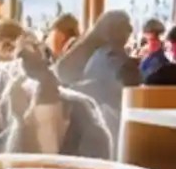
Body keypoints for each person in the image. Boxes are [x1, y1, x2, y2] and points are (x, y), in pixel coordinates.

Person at [54, 10, 140, 144]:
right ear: (114, 30)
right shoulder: (119, 62)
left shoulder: (96, 56)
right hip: (117, 133)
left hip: (93, 131)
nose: (130, 30)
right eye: (125, 26)